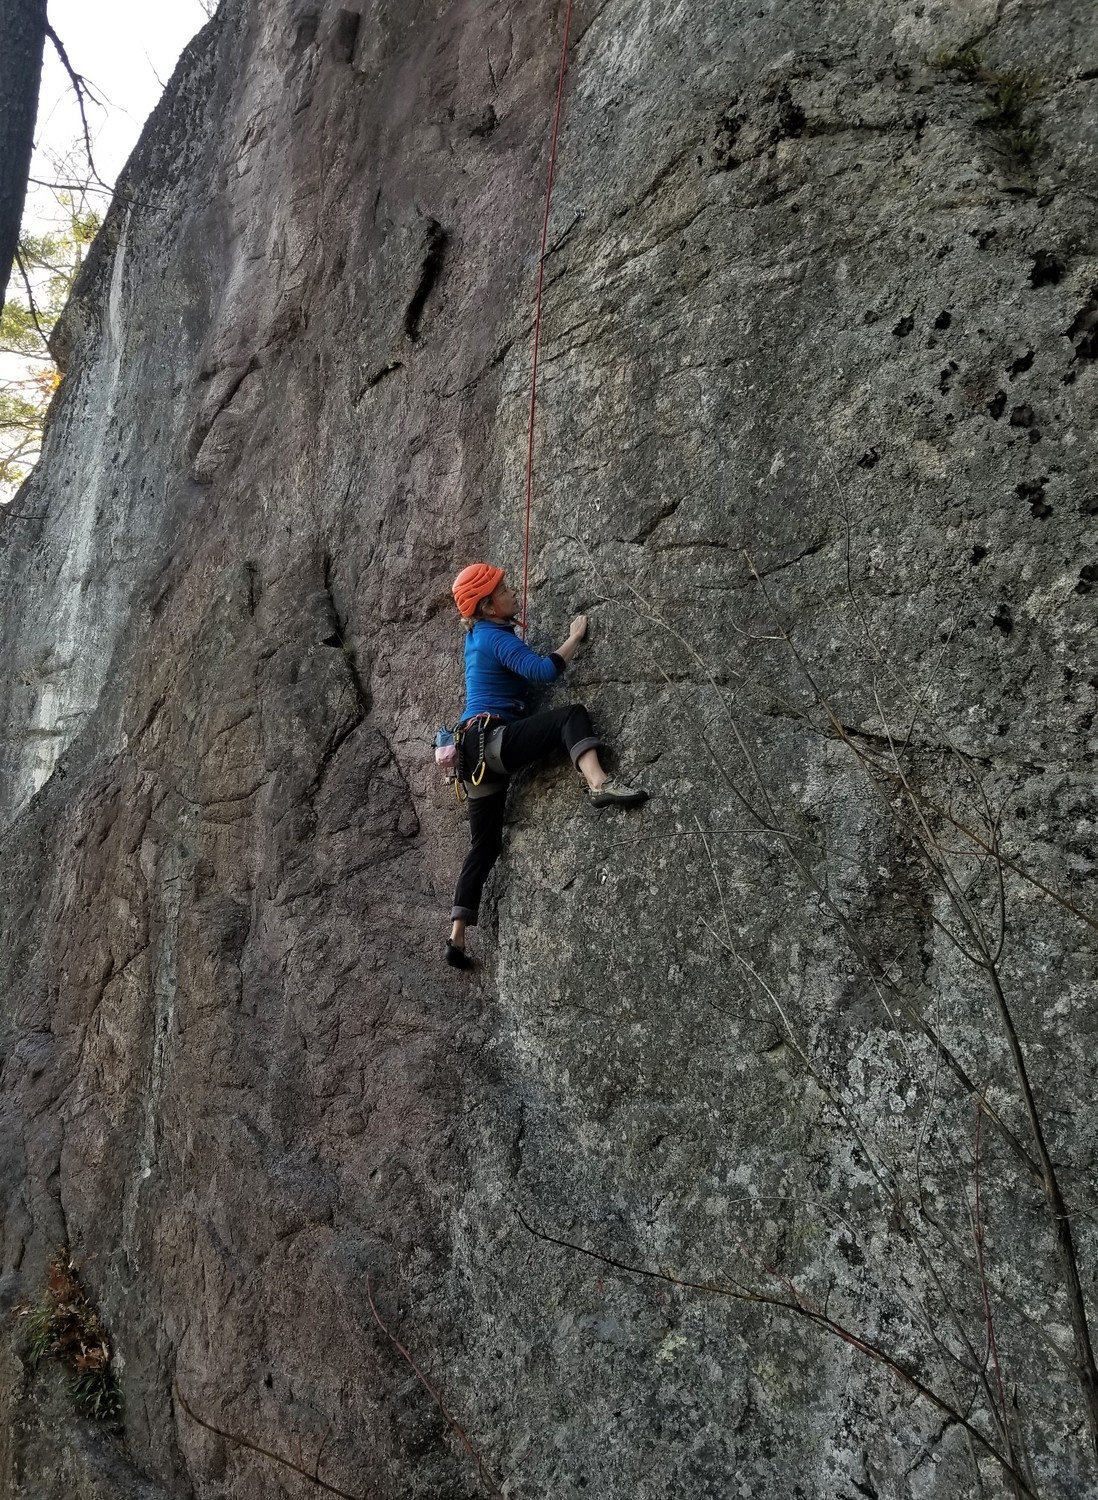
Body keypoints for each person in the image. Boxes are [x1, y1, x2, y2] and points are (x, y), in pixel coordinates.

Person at [445, 562, 648, 969]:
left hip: (473, 754)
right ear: (486, 606)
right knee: (570, 715)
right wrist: (574, 638)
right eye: (504, 590)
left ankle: (456, 936)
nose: (513, 593)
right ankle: (598, 783)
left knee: (485, 846)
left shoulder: (479, 637)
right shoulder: (492, 638)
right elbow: (541, 671)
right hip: (493, 742)